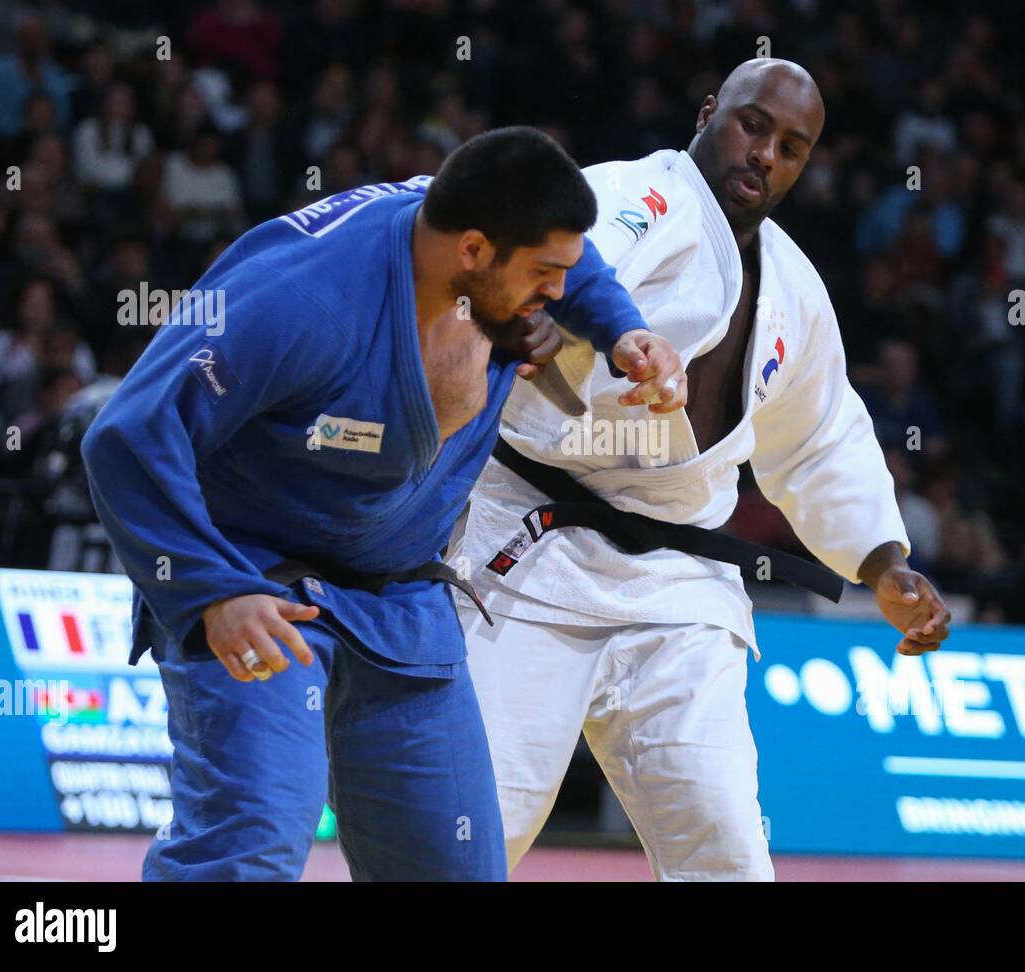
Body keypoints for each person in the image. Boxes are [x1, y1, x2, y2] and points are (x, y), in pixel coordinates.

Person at [82, 126, 685, 881]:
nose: (557, 295)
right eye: (541, 273)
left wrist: (625, 330)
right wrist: (212, 590)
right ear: (473, 251)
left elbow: (579, 263)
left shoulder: (490, 243)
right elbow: (128, 435)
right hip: (261, 587)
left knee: (453, 868)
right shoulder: (298, 299)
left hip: (402, 595)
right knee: (250, 848)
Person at [449, 60, 952, 881]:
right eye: (753, 126)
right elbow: (556, 263)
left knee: (726, 850)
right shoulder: (630, 196)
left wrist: (884, 565)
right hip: (530, 547)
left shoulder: (794, 288)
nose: (764, 155)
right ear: (711, 112)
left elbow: (821, 437)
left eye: (791, 147)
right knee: (469, 833)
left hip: (678, 580)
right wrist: (541, 322)